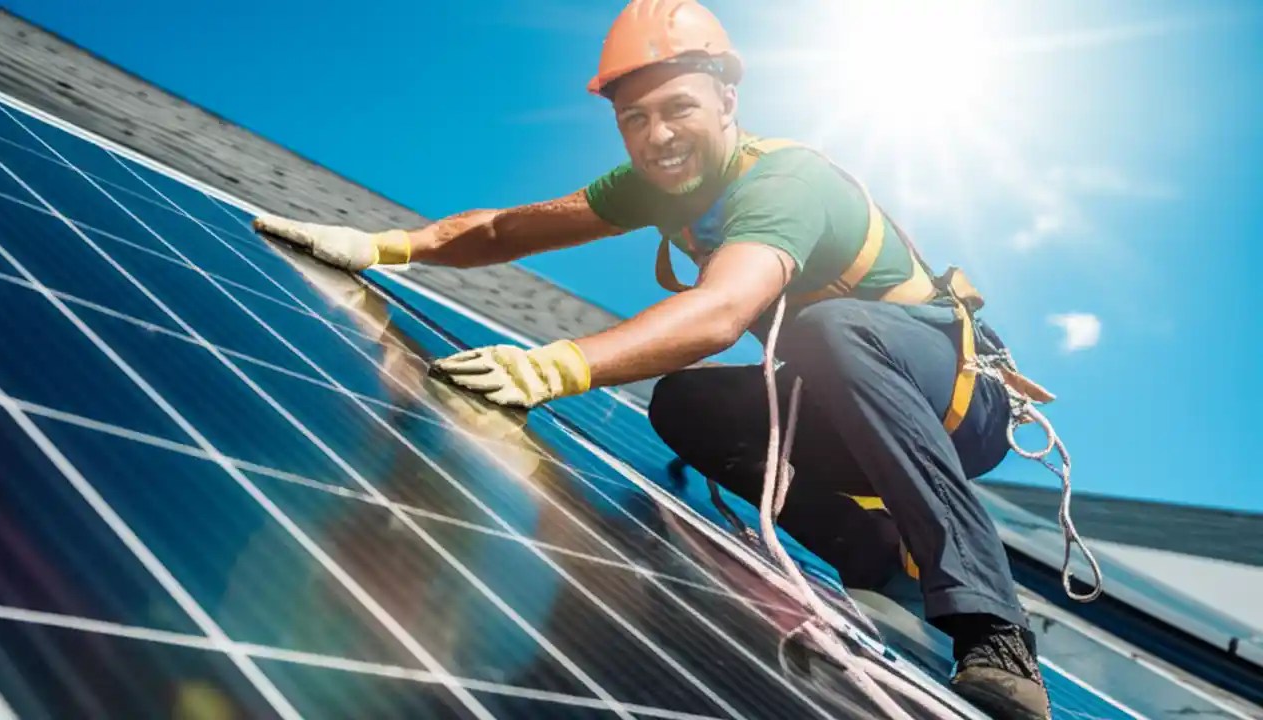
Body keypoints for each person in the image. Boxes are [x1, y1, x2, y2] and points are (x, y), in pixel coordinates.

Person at [252, 1, 1054, 716]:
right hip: (846, 408)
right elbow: (508, 230)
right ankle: (871, 553)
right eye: (635, 120)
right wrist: (384, 245)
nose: (658, 135)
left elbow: (723, 310)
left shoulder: (786, 181)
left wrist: (549, 368)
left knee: (830, 332)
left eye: (677, 109)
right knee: (684, 405)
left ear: (727, 101)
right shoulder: (655, 184)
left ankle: (995, 633)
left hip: (953, 404)